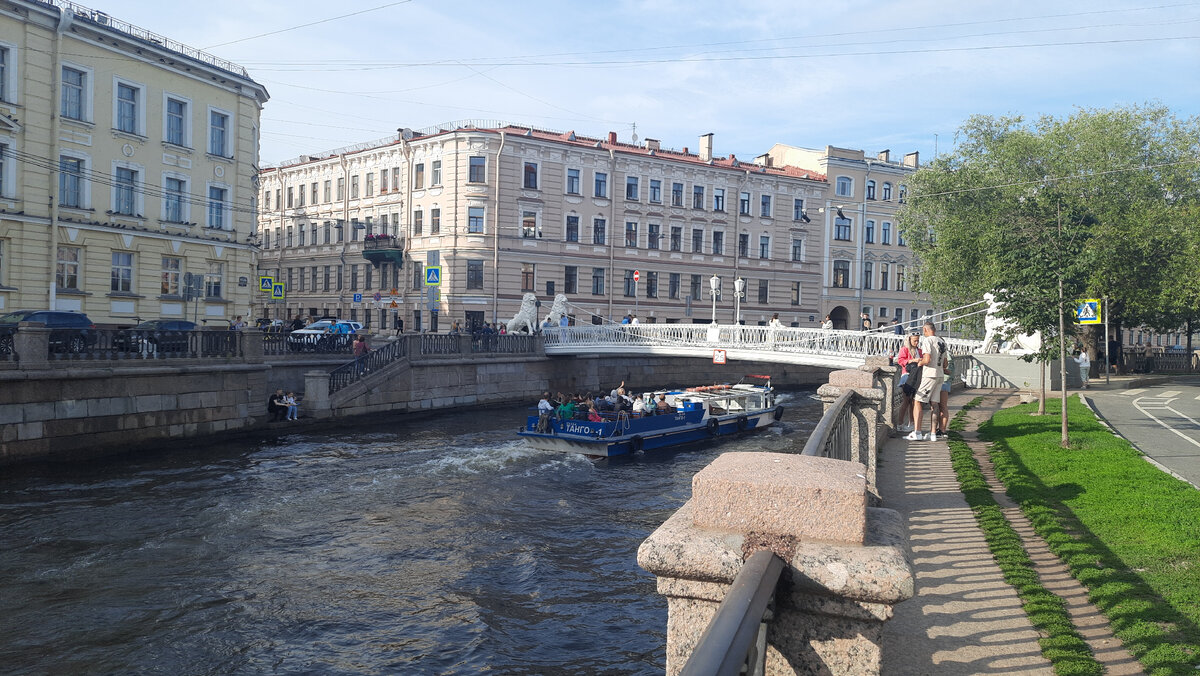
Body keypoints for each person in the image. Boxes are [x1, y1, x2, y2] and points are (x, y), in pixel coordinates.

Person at [906, 322, 945, 442]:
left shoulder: (928, 341)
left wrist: (919, 362)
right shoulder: (942, 341)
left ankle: (917, 432)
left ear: (925, 329)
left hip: (929, 375)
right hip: (940, 375)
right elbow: (945, 363)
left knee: (917, 401)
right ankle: (933, 434)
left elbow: (927, 360)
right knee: (935, 404)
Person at [895, 334, 921, 433]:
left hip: (916, 378)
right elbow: (900, 360)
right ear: (909, 340)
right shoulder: (905, 349)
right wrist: (912, 360)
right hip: (907, 377)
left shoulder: (919, 350)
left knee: (914, 402)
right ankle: (900, 424)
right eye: (915, 341)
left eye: (918, 340)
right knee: (906, 401)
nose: (917, 343)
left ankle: (911, 423)